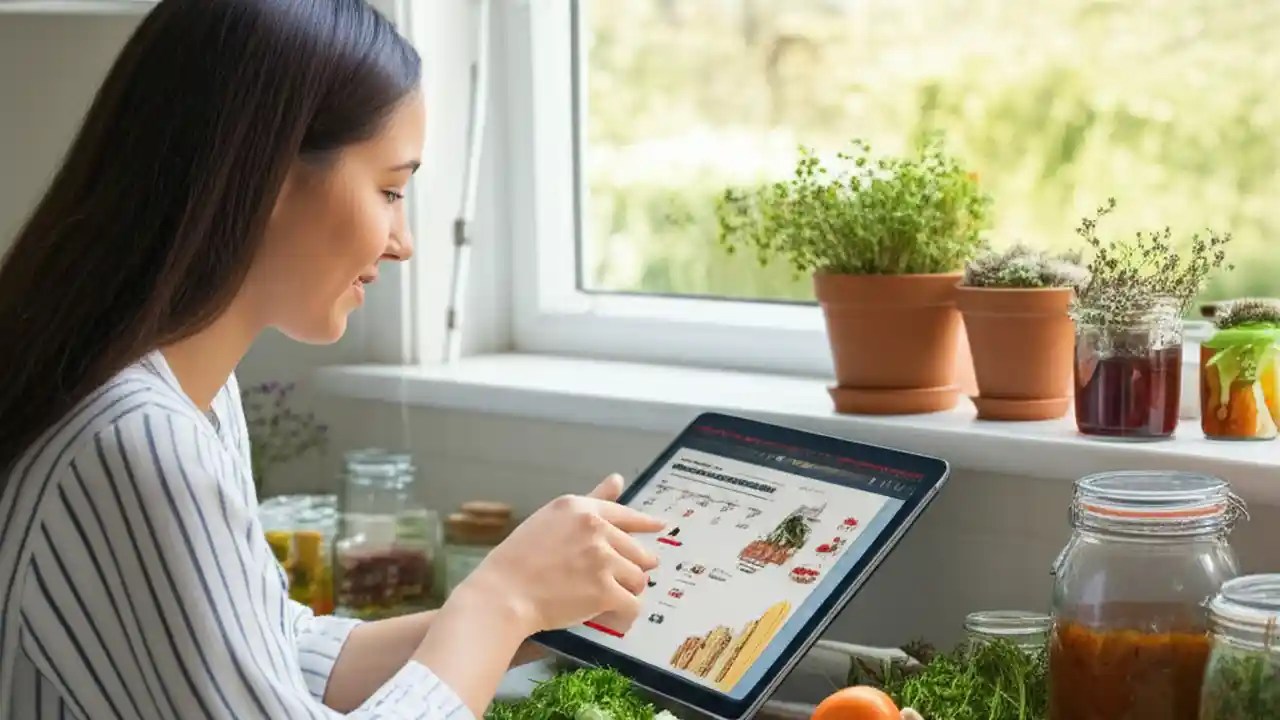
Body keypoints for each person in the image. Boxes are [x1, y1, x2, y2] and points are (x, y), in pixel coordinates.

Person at [0, 1, 664, 718]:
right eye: (390, 190)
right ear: (266, 178)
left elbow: (278, 653)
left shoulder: (189, 398)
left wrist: (532, 614)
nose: (402, 241)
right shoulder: (139, 443)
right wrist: (499, 599)